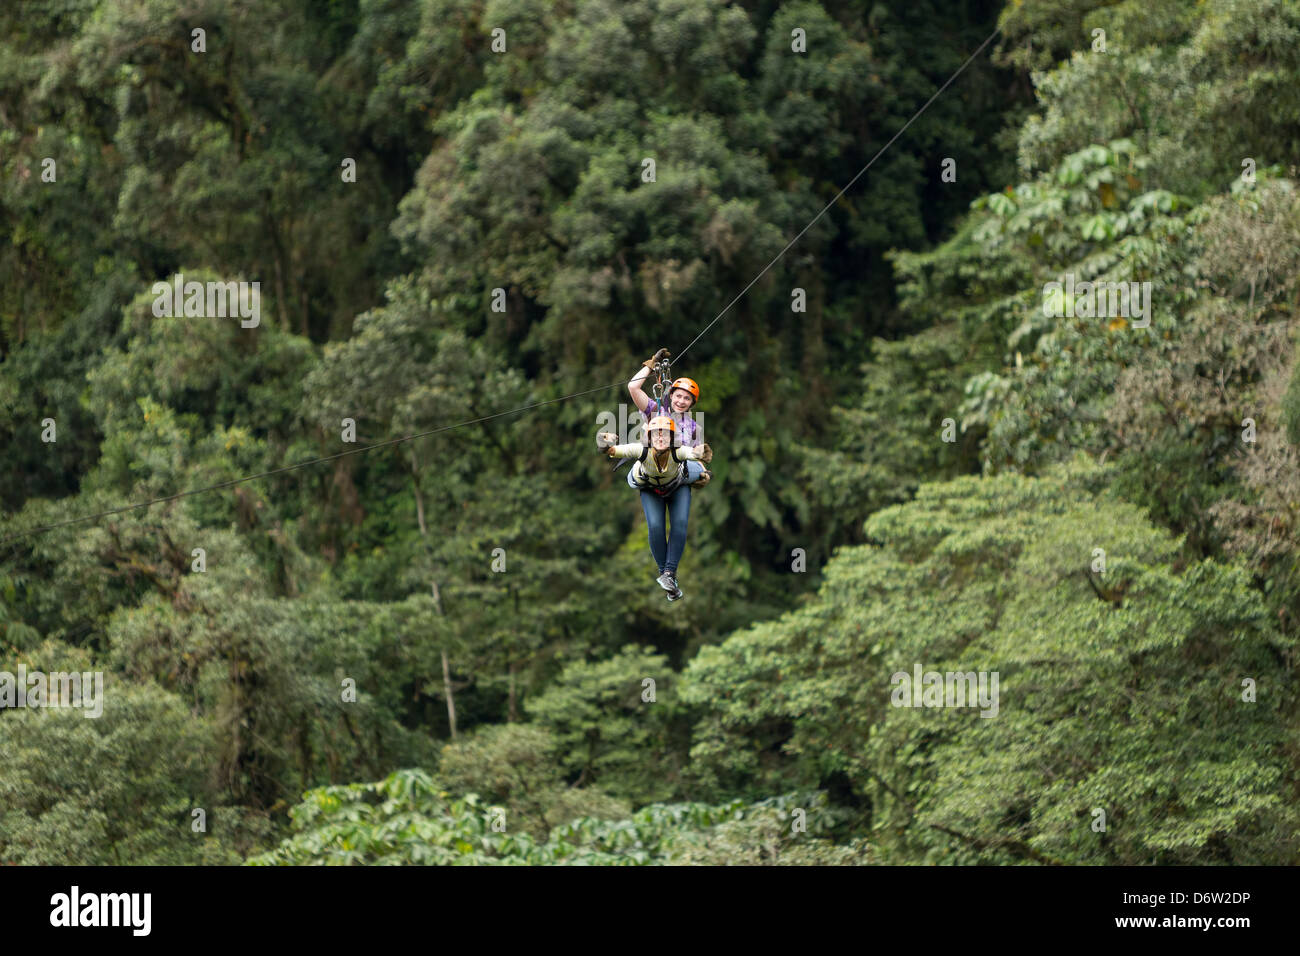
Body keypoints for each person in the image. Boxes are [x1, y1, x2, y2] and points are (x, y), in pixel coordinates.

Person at [598, 416, 713, 602]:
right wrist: (604, 442)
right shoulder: (641, 450)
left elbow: (692, 453)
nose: (661, 438)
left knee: (681, 523)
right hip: (650, 488)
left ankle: (669, 574)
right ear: (649, 438)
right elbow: (613, 450)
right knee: (656, 527)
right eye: (657, 435)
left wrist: (700, 453)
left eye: (666, 435)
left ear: (672, 438)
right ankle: (666, 577)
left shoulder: (678, 451)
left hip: (676, 485)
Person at [627, 347, 709, 488]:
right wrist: (651, 365)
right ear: (671, 395)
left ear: (692, 403)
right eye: (678, 396)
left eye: (686, 399)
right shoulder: (655, 410)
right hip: (652, 471)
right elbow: (633, 387)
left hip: (676, 476)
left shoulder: (693, 427)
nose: (681, 401)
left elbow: (697, 455)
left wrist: (703, 473)